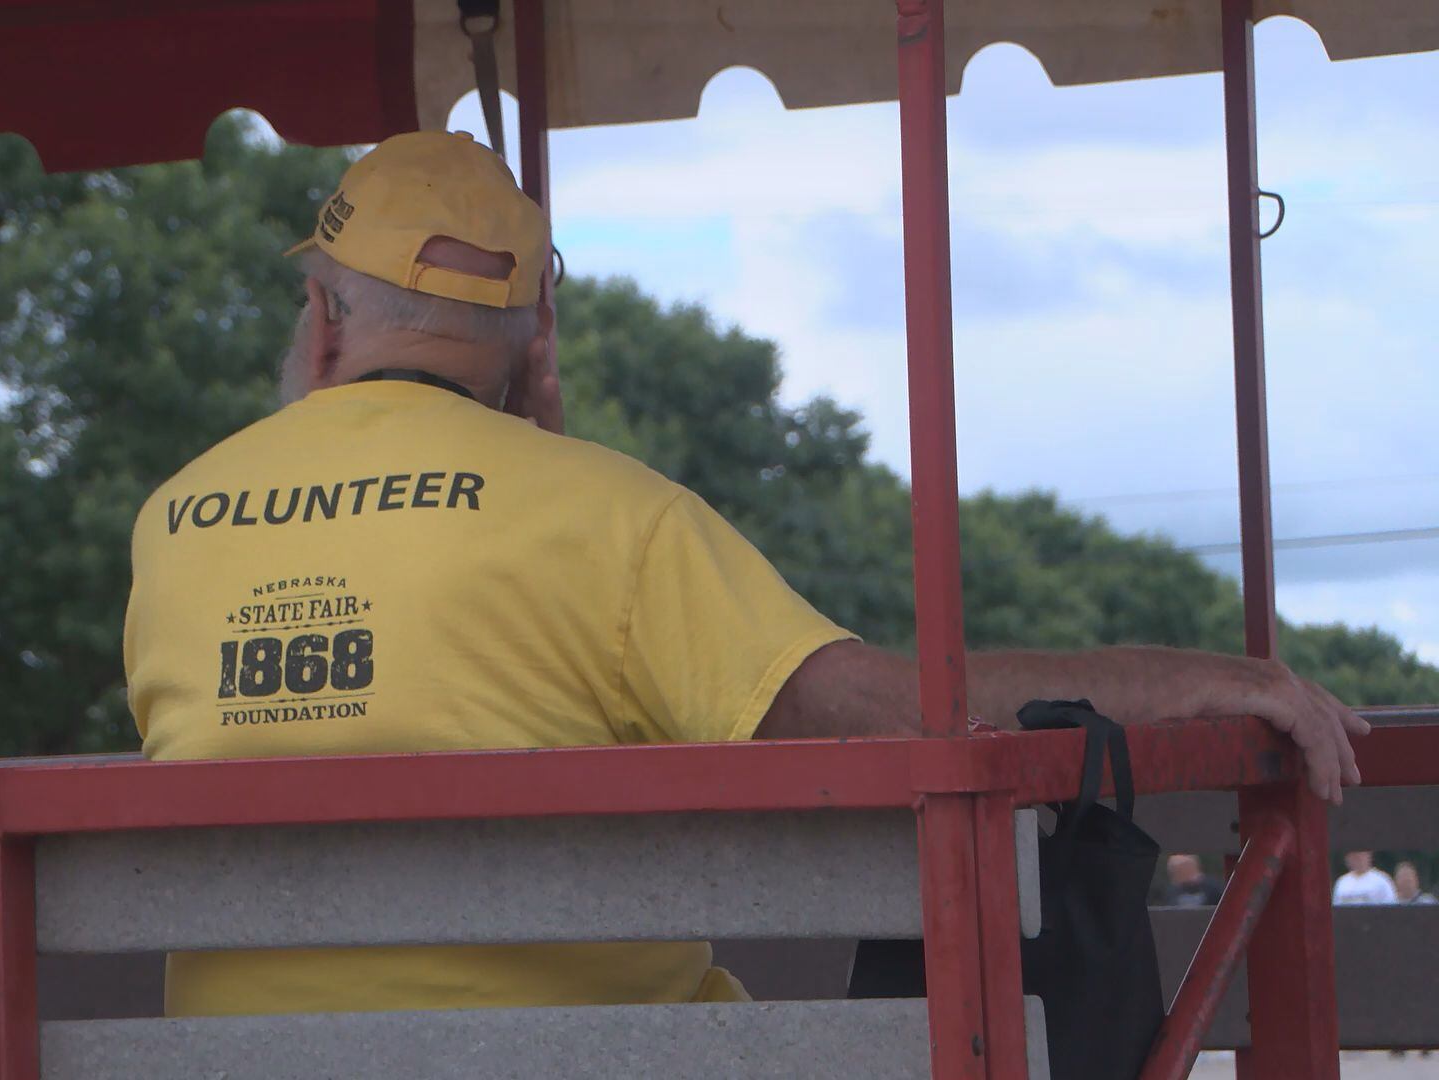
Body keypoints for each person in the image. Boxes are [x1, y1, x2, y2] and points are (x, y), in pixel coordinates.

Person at [122, 130, 1370, 1017]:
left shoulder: (171, 525)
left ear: (326, 318)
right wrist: (1200, 679)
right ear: (533, 341)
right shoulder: (611, 517)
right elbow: (911, 714)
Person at [1333, 851, 1398, 905]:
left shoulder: (1382, 879)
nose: (1357, 858)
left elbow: (1391, 906)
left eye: (1359, 855)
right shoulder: (1342, 881)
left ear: (1369, 855)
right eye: (1353, 856)